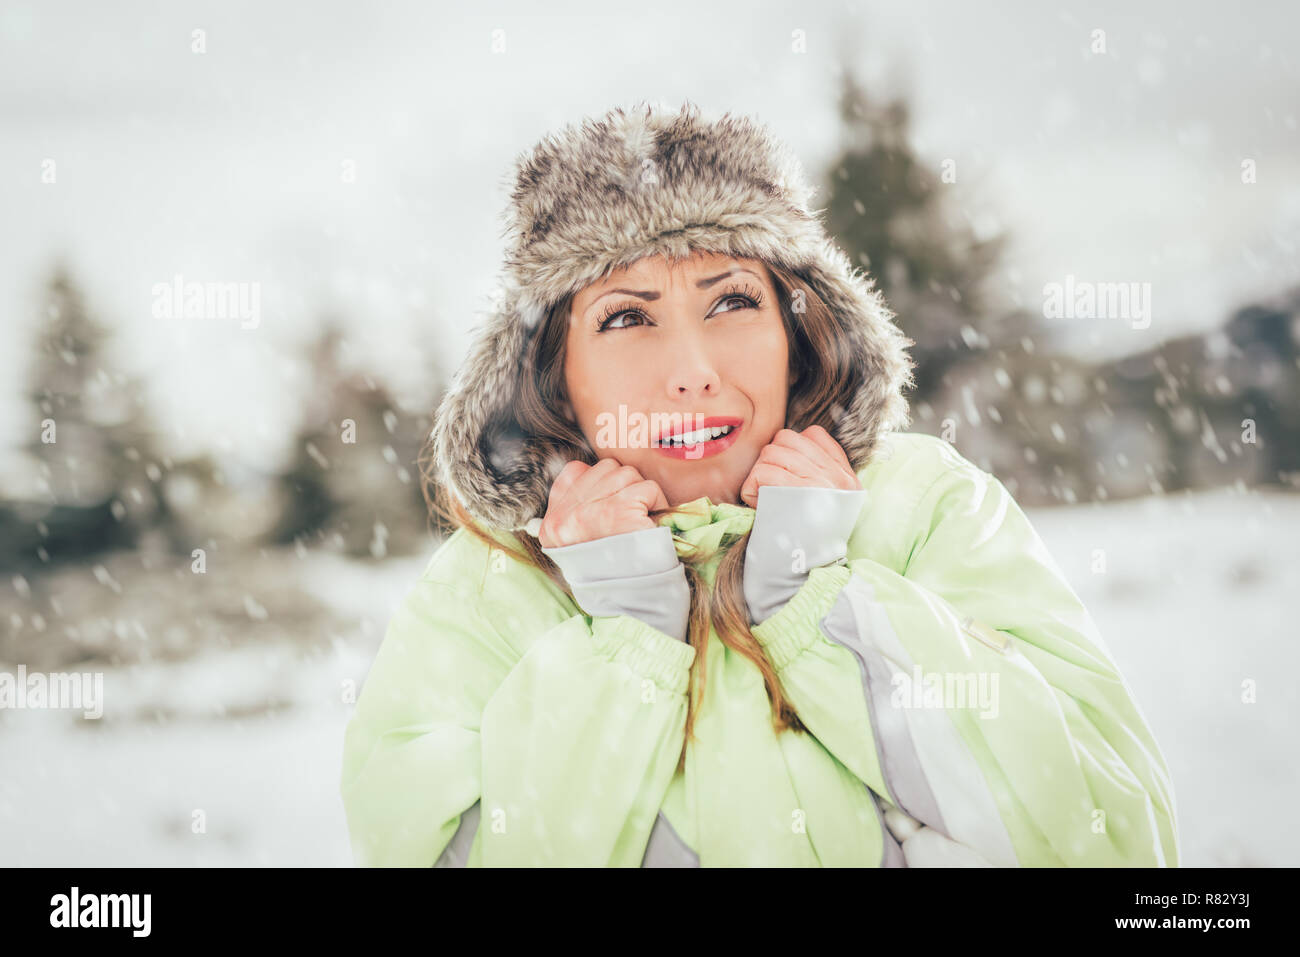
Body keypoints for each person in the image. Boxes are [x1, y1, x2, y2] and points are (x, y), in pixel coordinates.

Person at [339, 100, 1180, 867]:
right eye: (627, 317)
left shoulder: (929, 509)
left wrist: (819, 605)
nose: (693, 372)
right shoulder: (486, 592)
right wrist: (625, 635)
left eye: (732, 302)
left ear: (798, 330)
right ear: (551, 375)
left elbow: (1117, 836)